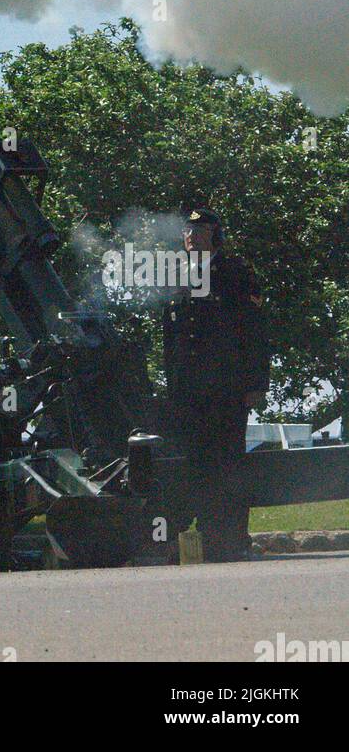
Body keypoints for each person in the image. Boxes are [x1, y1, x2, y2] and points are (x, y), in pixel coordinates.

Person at [163, 206, 271, 562]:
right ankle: (208, 539)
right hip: (189, 392)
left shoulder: (236, 274)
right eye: (187, 231)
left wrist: (256, 383)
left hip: (227, 389)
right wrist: (172, 384)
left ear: (215, 234)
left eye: (200, 230)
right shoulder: (176, 275)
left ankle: (233, 539)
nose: (191, 237)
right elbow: (171, 336)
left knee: (228, 465)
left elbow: (254, 332)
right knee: (196, 464)